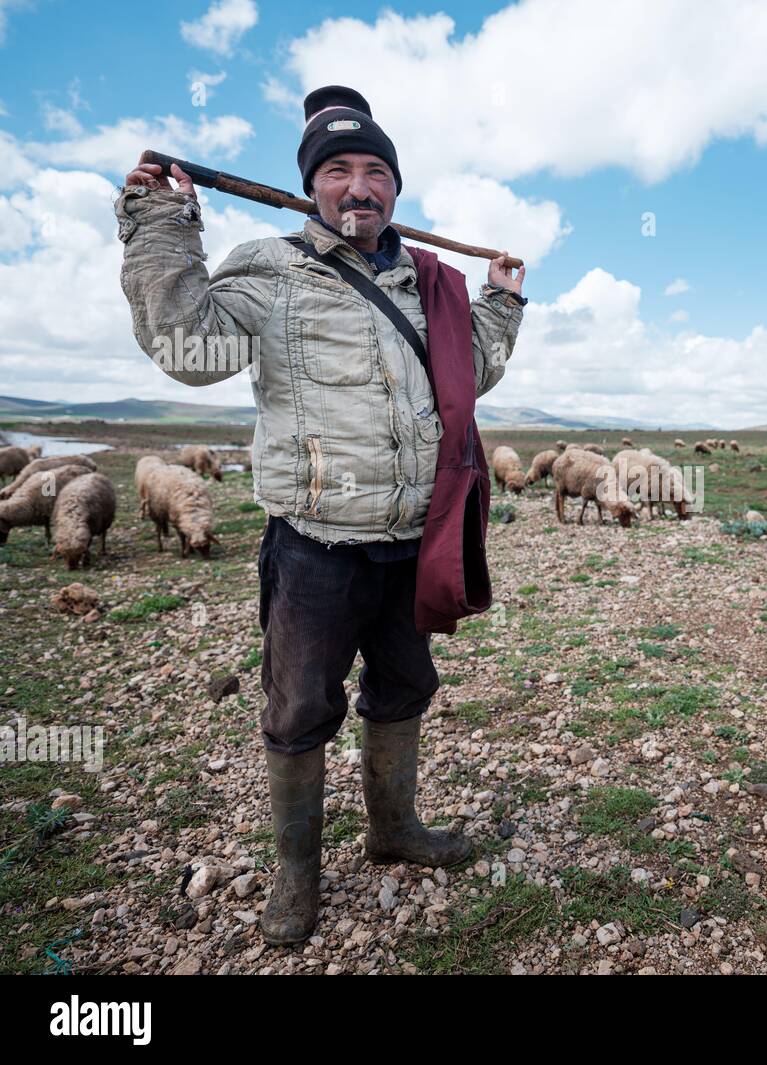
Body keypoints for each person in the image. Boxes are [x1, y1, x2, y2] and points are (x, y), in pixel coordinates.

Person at [114, 85, 526, 945]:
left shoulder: (429, 282)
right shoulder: (271, 269)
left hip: (413, 539)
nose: (359, 187)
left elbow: (464, 379)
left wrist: (499, 303)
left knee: (407, 686)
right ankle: (298, 873)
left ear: (396, 191)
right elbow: (190, 351)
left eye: (377, 171)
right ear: (312, 187)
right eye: (338, 171)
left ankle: (393, 829)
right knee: (300, 709)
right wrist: (161, 225)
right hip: (314, 546)